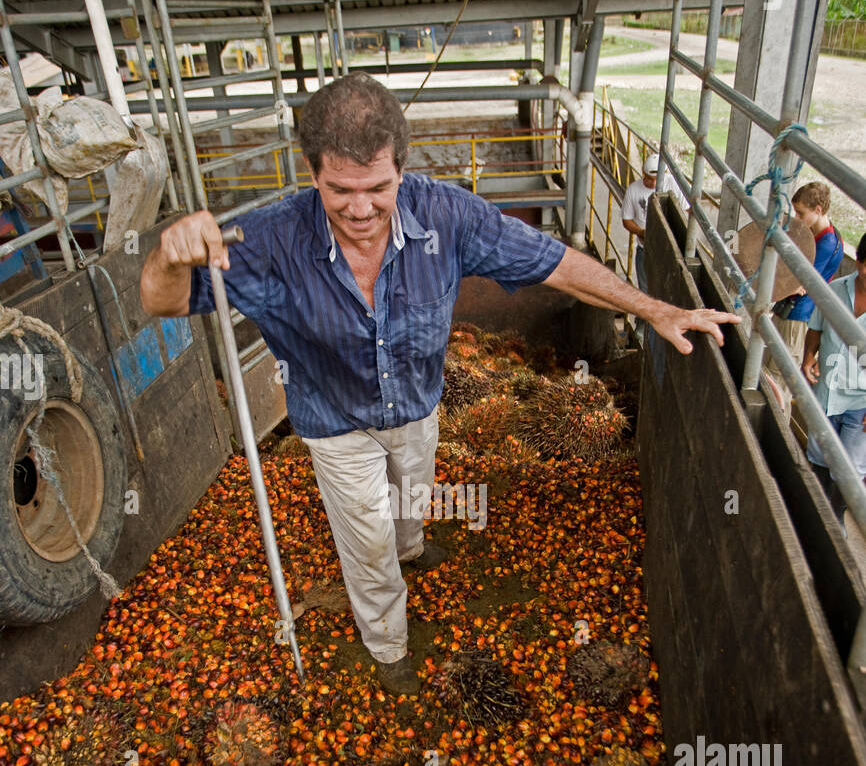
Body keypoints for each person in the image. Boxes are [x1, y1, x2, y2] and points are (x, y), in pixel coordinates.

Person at [140, 73, 738, 698]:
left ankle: (413, 546)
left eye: (378, 187)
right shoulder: (269, 241)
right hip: (333, 421)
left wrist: (653, 310)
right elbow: (164, 300)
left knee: (412, 496)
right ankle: (388, 643)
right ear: (311, 172)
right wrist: (168, 255)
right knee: (366, 540)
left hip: (417, 405)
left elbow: (554, 262)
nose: (362, 208)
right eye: (340, 190)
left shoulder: (447, 216)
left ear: (401, 167)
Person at [802, 231, 866, 532]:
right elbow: (815, 327)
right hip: (827, 389)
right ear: (860, 262)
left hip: (861, 403)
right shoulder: (836, 290)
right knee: (819, 455)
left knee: (850, 467)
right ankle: (816, 518)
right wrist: (808, 357)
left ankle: (836, 519)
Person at [765, 180, 844, 419]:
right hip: (788, 310)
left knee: (780, 380)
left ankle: (775, 431)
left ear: (818, 209)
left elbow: (800, 284)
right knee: (771, 372)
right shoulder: (815, 234)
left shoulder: (827, 242)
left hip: (797, 315)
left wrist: (776, 283)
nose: (797, 218)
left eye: (801, 213)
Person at [620, 151, 688, 294]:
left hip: (669, 251)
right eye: (650, 179)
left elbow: (686, 210)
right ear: (643, 174)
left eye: (657, 179)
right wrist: (640, 232)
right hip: (645, 250)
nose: (653, 183)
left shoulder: (672, 183)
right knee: (645, 292)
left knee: (668, 292)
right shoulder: (633, 190)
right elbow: (626, 220)